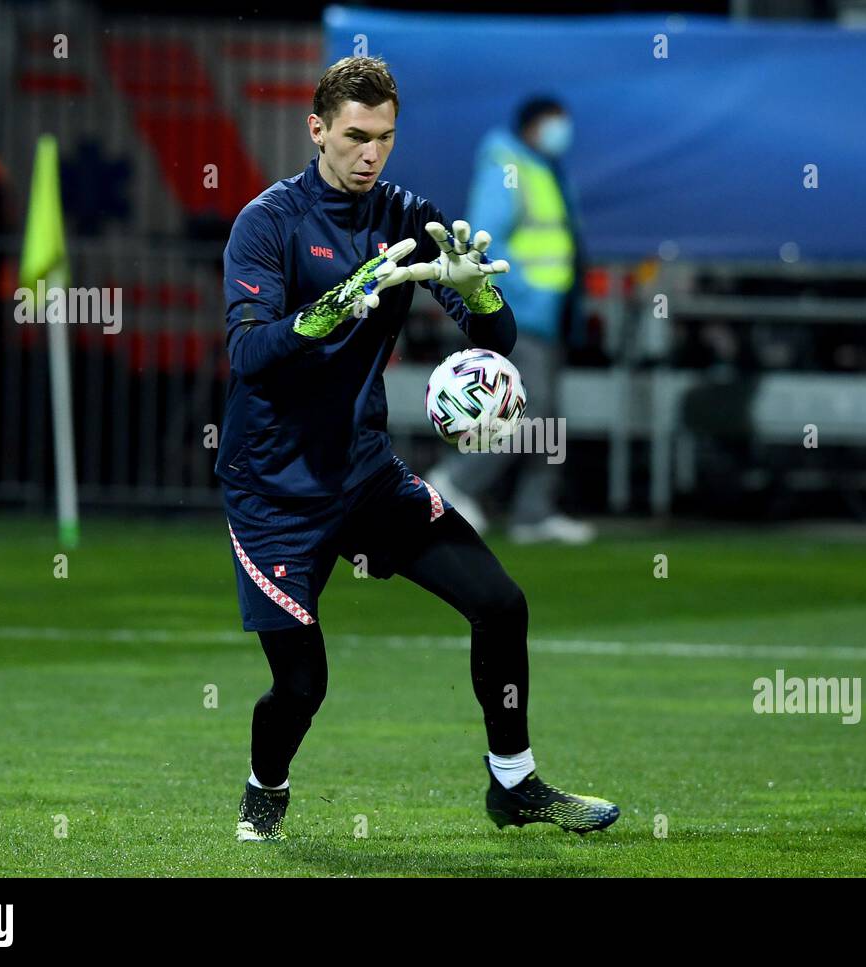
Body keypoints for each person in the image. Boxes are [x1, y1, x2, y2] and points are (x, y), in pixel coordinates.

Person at [215, 56, 619, 842]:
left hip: (364, 475)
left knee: (501, 603)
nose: (371, 153)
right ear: (318, 129)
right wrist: (325, 311)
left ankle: (515, 783)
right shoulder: (268, 223)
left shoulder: (404, 215)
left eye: (386, 138)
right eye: (356, 136)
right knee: (301, 686)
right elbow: (248, 353)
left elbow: (496, 340)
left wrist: (477, 291)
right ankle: (266, 785)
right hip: (272, 489)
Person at [426, 96, 596, 545]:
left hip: (550, 314)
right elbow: (486, 238)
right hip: (521, 311)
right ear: (532, 126)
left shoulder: (544, 168)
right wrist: (521, 295)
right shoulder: (508, 167)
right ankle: (454, 483)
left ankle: (533, 513)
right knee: (529, 408)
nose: (562, 131)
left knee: (549, 416)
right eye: (554, 123)